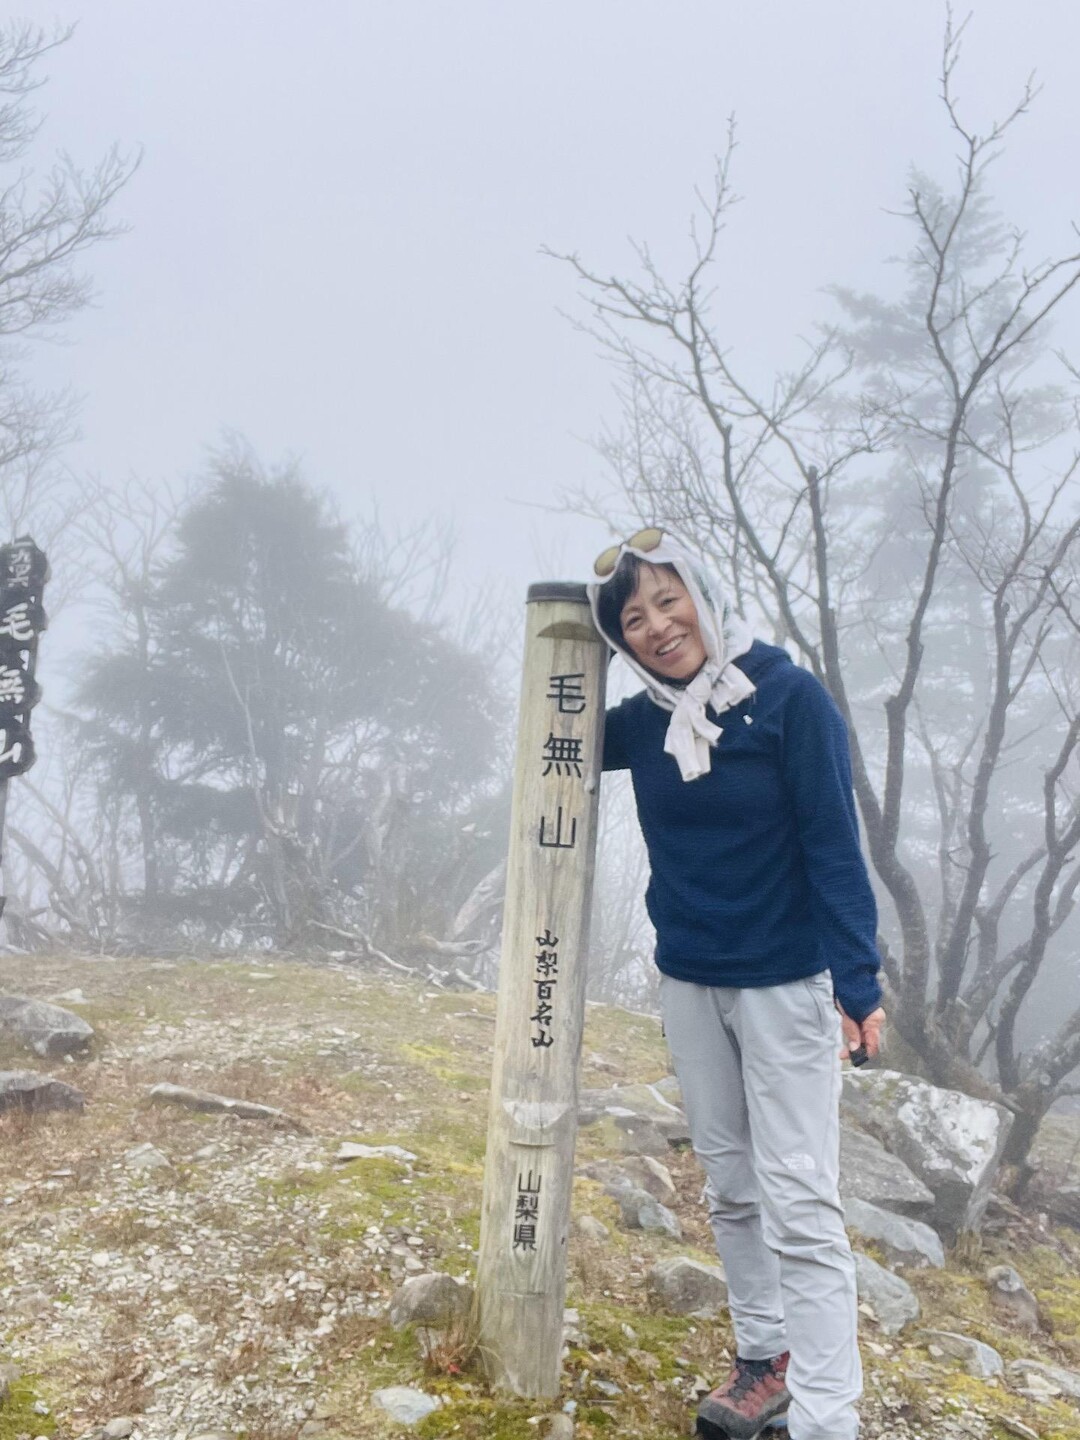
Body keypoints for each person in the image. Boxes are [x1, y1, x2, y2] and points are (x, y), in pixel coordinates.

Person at [587, 529, 885, 1440]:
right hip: (690, 982)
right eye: (632, 619)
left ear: (704, 597)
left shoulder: (789, 700)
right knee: (729, 1184)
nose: (656, 627)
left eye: (668, 601)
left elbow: (836, 845)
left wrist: (858, 983)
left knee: (800, 1197)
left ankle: (829, 1419)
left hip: (785, 984)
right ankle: (767, 1359)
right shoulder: (641, 723)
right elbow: (550, 736)